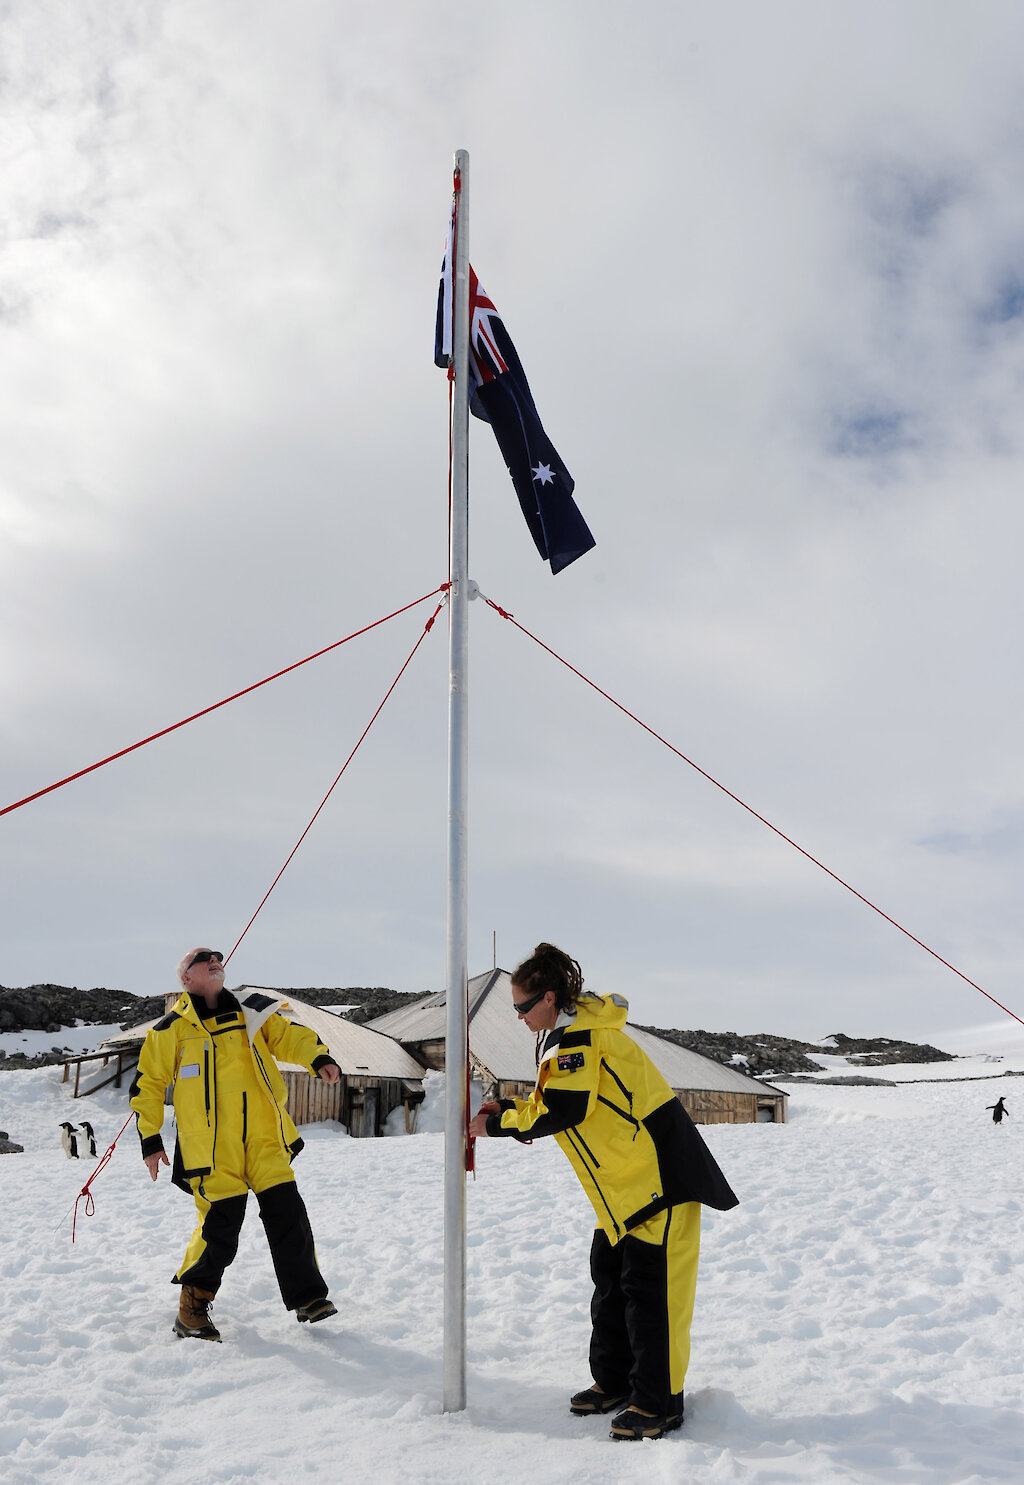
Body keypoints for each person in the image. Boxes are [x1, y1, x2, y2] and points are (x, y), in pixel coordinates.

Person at [469, 943, 739, 1442]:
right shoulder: (567, 1036)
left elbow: (564, 1110)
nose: (519, 1017)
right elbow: (556, 1101)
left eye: (523, 1008)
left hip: (657, 1186)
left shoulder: (581, 1040)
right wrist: (510, 1107)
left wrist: (503, 1124)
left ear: (549, 998)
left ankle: (659, 1404)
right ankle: (616, 1383)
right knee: (612, 1288)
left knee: (652, 1299)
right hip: (620, 1194)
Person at [130, 946, 342, 1341]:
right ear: (185, 979)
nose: (214, 959)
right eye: (202, 958)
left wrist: (318, 1058)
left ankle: (308, 1297)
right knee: (219, 1227)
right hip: (211, 1151)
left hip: (264, 1139)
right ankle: (191, 1308)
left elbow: (291, 1036)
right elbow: (148, 1085)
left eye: (218, 957)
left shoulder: (254, 1012)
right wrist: (150, 1139)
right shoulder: (169, 1030)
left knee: (288, 1214)